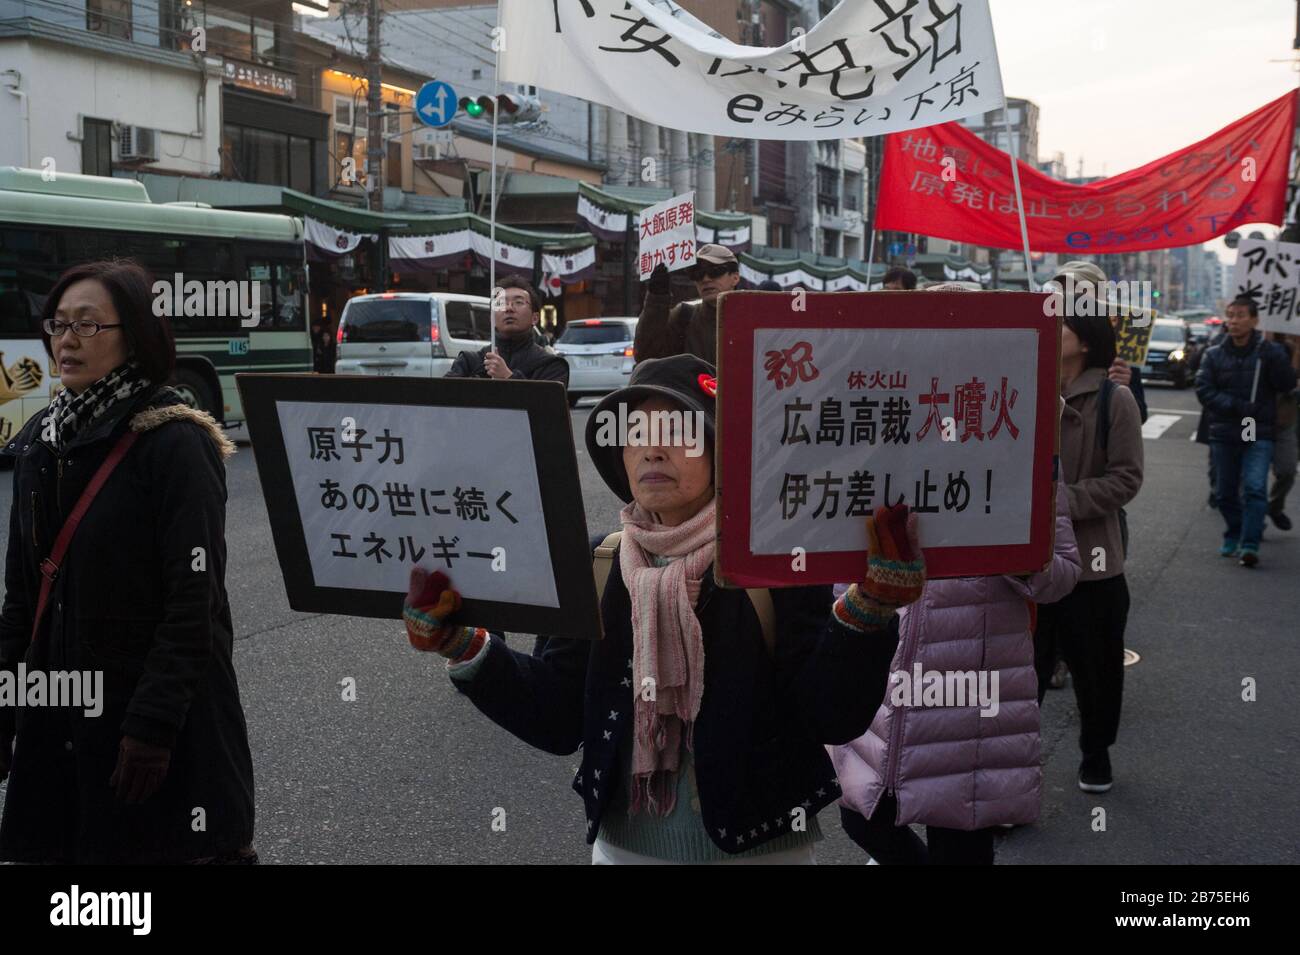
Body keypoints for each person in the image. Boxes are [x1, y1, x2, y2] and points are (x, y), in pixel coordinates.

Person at [404, 354, 925, 864]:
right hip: (623, 848)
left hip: (762, 849)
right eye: (635, 434)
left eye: (679, 431)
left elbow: (830, 714)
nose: (652, 449)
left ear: (722, 451)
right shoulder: (600, 563)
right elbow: (558, 717)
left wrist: (868, 610)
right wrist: (465, 647)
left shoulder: (773, 561)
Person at [0, 260, 256, 864]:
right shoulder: (41, 439)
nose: (66, 340)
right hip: (57, 710)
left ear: (136, 335)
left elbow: (193, 603)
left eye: (88, 326)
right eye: (58, 324)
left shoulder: (175, 442)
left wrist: (152, 727)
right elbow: (20, 595)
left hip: (150, 729)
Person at [834, 450, 1081, 866]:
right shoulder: (875, 435)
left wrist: (1012, 549)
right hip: (882, 671)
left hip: (971, 690)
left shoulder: (1023, 451)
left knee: (961, 840)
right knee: (861, 816)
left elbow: (1061, 573)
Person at [1033, 310, 1144, 794]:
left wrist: (1060, 502)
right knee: (1023, 670)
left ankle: (1095, 752)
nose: (1053, 332)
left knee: (1095, 668)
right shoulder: (1030, 384)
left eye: (1064, 327)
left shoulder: (1113, 398)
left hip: (1093, 564)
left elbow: (1126, 477)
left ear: (1086, 342)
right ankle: (1016, 761)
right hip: (1030, 563)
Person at [1195, 297, 1298, 566]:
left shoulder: (1269, 352)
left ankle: (1250, 543)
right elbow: (1204, 390)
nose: (1235, 321)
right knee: (1224, 492)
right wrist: (1236, 405)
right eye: (1231, 315)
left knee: (1254, 487)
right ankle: (1234, 531)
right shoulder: (1214, 353)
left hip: (1255, 428)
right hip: (1225, 429)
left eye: (1241, 315)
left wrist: (1276, 358)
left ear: (1254, 320)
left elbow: (1286, 384)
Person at [1053, 261, 1148, 423]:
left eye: (1079, 291)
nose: (1069, 296)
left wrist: (1125, 390)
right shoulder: (1045, 338)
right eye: (1062, 290)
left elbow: (1138, 418)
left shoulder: (1122, 345)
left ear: (1100, 297)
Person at [445, 275, 568, 384]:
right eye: (501, 303)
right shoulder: (469, 362)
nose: (509, 308)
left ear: (534, 318)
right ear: (492, 318)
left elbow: (548, 407)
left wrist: (508, 377)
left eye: (518, 302)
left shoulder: (550, 365)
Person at [633, 245, 741, 364]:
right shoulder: (684, 317)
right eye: (697, 274)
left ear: (735, 277)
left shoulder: (753, 318)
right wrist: (657, 299)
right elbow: (645, 356)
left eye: (715, 271)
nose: (705, 279)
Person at [1266, 332, 1299, 530]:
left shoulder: (1292, 350)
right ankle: (1251, 526)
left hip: (1284, 421)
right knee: (1249, 472)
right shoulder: (1251, 346)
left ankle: (1274, 506)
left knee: (1287, 470)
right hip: (1250, 420)